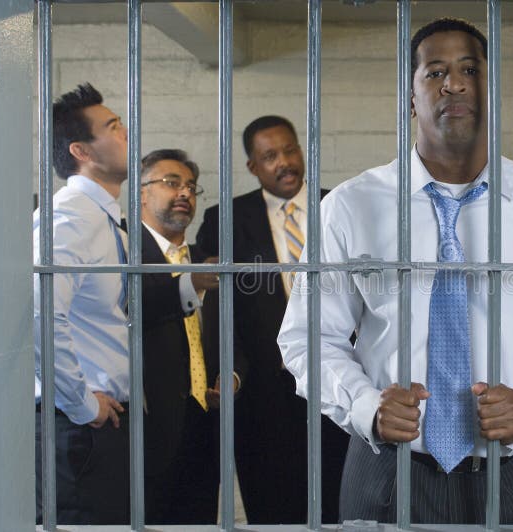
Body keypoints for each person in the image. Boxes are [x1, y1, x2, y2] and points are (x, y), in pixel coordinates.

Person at [277, 18, 513, 525]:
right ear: (411, 95)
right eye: (434, 71)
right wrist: (366, 404)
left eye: (468, 69)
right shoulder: (351, 205)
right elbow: (308, 337)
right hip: (386, 474)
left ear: (490, 88)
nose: (453, 83)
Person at [196, 115, 349, 524]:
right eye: (269, 156)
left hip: (338, 388)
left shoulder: (340, 205)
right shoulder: (224, 219)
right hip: (263, 395)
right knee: (272, 511)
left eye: (290, 150)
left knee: (339, 509)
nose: (284, 162)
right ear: (252, 167)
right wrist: (229, 373)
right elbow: (218, 312)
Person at [33, 83, 130, 524]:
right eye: (112, 127)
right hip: (77, 428)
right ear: (81, 151)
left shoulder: (100, 217)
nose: (126, 132)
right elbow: (37, 310)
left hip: (91, 425)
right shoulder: (72, 214)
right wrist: (83, 404)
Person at [139, 148, 242, 523]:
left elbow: (236, 333)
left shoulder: (207, 257)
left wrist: (229, 376)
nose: (184, 192)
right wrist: (188, 284)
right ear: (141, 192)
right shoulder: (121, 248)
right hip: (146, 430)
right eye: (171, 182)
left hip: (205, 425)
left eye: (191, 187)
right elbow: (130, 308)